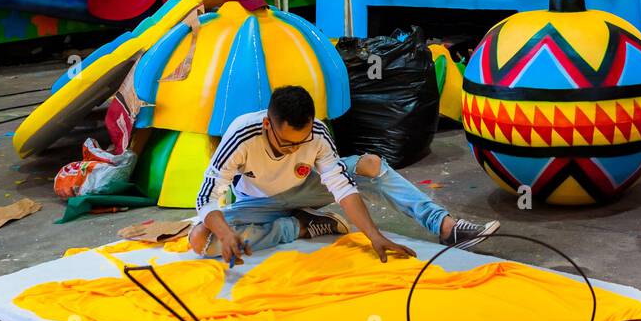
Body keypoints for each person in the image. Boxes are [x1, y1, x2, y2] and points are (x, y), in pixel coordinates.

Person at [188, 85, 499, 265]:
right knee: (201, 241)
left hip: (306, 189)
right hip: (258, 203)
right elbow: (207, 196)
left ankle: (445, 227)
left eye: (301, 141)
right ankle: (298, 226)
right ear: (268, 125)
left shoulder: (318, 134)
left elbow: (342, 188)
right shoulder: (243, 134)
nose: (293, 149)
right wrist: (227, 233)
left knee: (371, 165)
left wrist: (375, 236)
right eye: (285, 143)